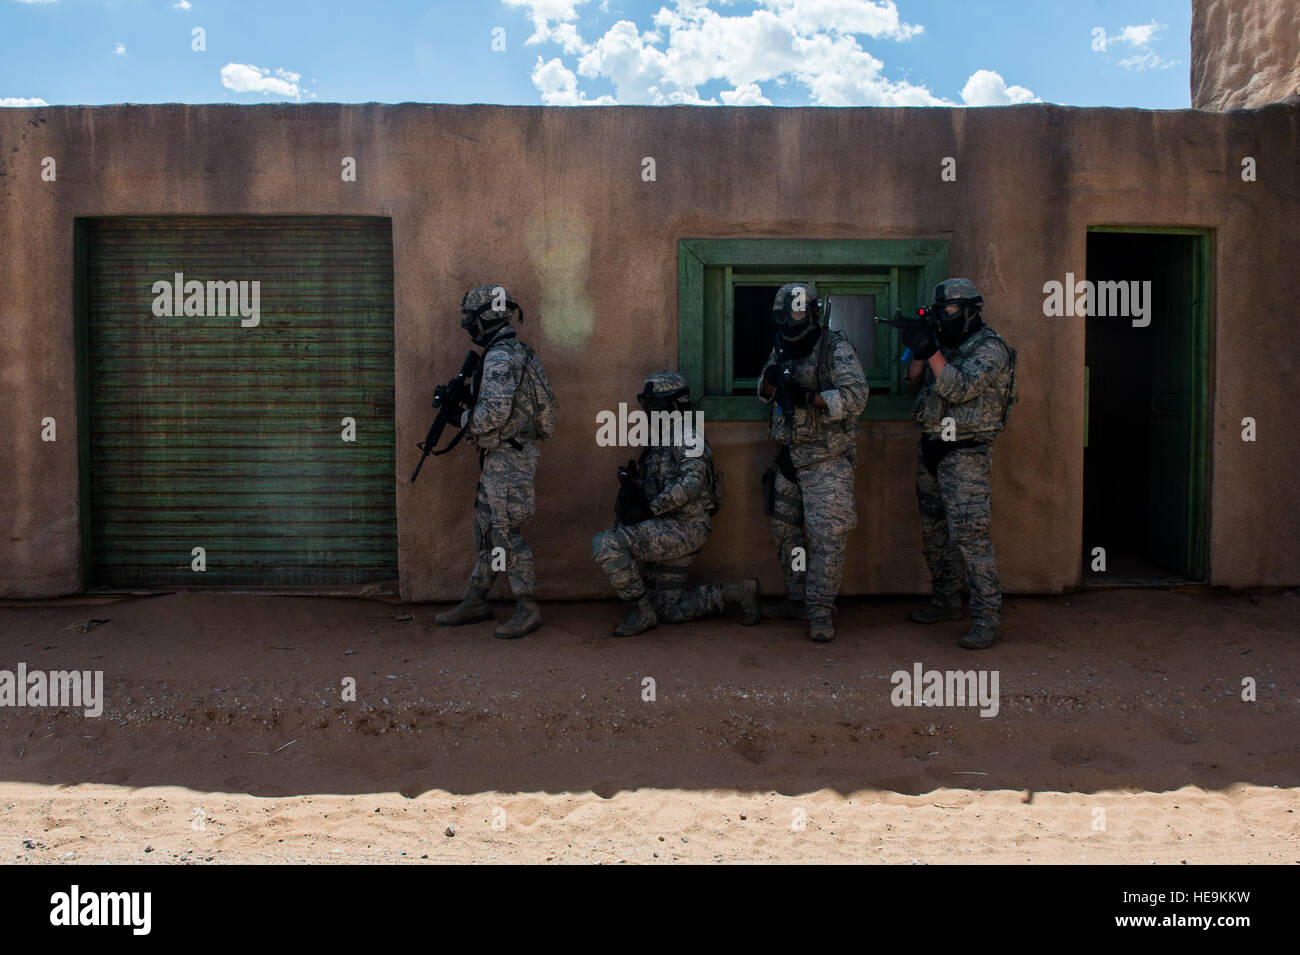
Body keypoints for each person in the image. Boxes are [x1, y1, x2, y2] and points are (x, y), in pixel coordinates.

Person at [591, 371, 760, 637]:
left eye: (655, 406)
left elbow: (691, 485)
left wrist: (650, 508)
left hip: (684, 529)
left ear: (674, 406)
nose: (650, 411)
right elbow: (660, 484)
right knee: (666, 610)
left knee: (606, 543)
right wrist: (634, 485)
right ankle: (738, 593)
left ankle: (641, 612)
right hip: (667, 527)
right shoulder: (661, 439)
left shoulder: (688, 436)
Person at [435, 284, 555, 639]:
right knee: (487, 530)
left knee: (505, 532)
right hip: (501, 456)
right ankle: (476, 599)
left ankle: (528, 607)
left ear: (486, 316)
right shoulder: (505, 352)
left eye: (470, 319)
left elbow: (492, 415)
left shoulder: (501, 356)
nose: (467, 327)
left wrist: (460, 415)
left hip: (509, 459)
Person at [902, 278, 1017, 650]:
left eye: (948, 309)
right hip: (933, 447)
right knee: (935, 534)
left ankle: (986, 617)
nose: (943, 316)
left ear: (970, 309)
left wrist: (933, 349)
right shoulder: (944, 344)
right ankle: (945, 601)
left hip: (965, 451)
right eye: (940, 311)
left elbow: (960, 388)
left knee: (970, 537)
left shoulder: (991, 348)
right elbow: (910, 382)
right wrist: (918, 351)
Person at [757, 282, 868, 643]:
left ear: (813, 312)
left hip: (826, 460)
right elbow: (763, 393)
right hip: (789, 456)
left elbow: (856, 397)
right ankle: (798, 597)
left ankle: (820, 610)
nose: (791, 319)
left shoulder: (834, 347)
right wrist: (771, 382)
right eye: (785, 313)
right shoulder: (781, 347)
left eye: (798, 312)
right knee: (786, 534)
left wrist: (809, 398)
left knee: (826, 538)